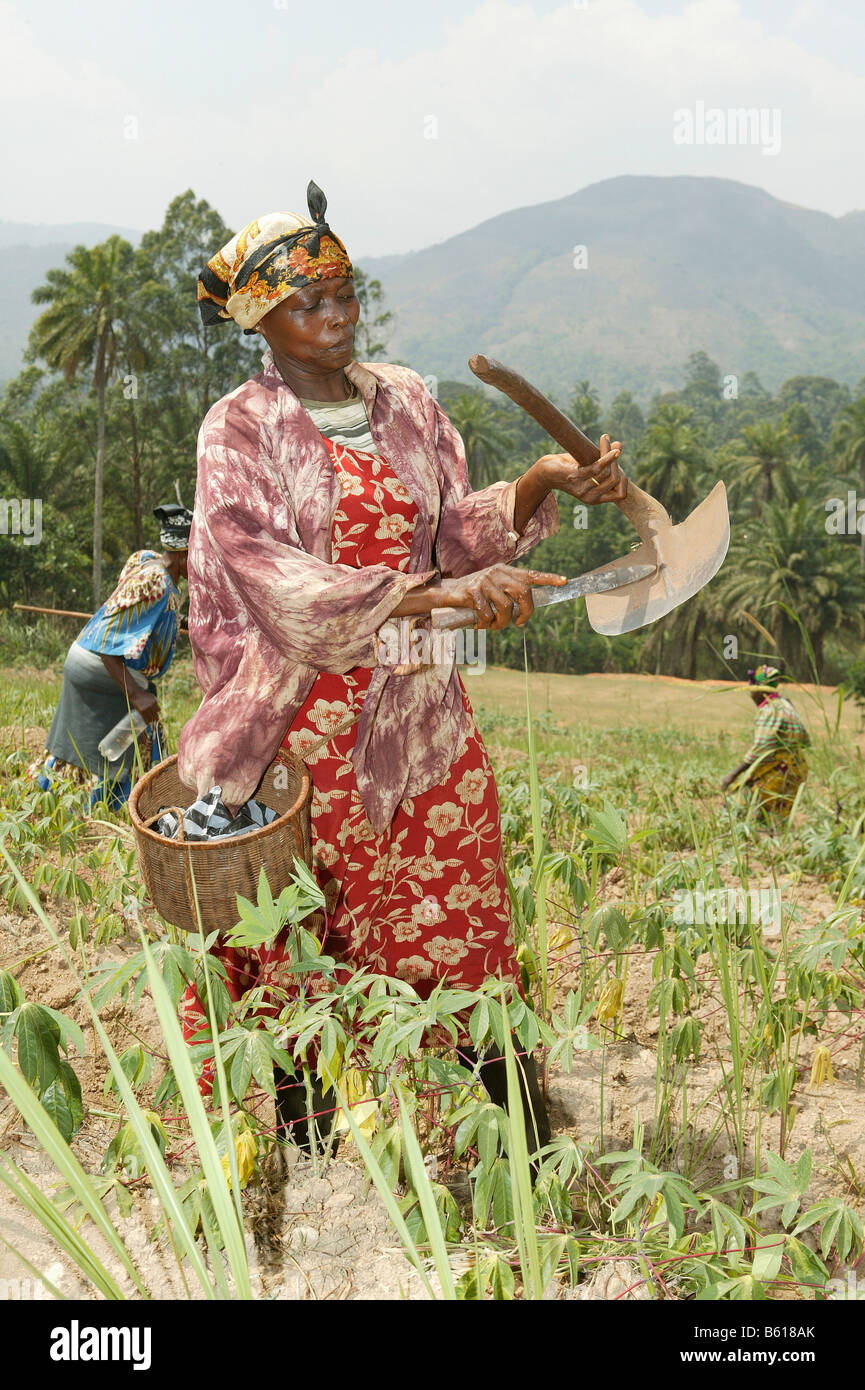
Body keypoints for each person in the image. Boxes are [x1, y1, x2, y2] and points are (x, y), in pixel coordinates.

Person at [178, 181, 630, 1153]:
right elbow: (277, 585)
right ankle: (309, 1163)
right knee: (302, 955)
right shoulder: (239, 430)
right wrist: (434, 600)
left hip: (423, 728)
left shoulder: (407, 399)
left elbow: (451, 534)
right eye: (308, 302)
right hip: (302, 741)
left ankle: (525, 1162)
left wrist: (537, 484)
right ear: (261, 318)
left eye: (344, 292)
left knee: (464, 933)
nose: (336, 315)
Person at [33, 505, 191, 809]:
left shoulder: (148, 562)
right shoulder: (156, 581)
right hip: (102, 668)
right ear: (183, 554)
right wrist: (135, 695)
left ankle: (61, 800)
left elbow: (138, 611)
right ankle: (116, 804)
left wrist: (179, 620)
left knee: (91, 742)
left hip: (86, 662)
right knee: (124, 740)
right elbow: (108, 643)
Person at [721, 665, 810, 821]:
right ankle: (774, 841)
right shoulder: (786, 704)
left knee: (735, 801)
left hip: (778, 769)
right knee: (774, 815)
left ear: (760, 690)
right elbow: (804, 739)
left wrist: (733, 774)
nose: (750, 693)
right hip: (797, 767)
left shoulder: (770, 710)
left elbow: (762, 747)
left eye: (752, 689)